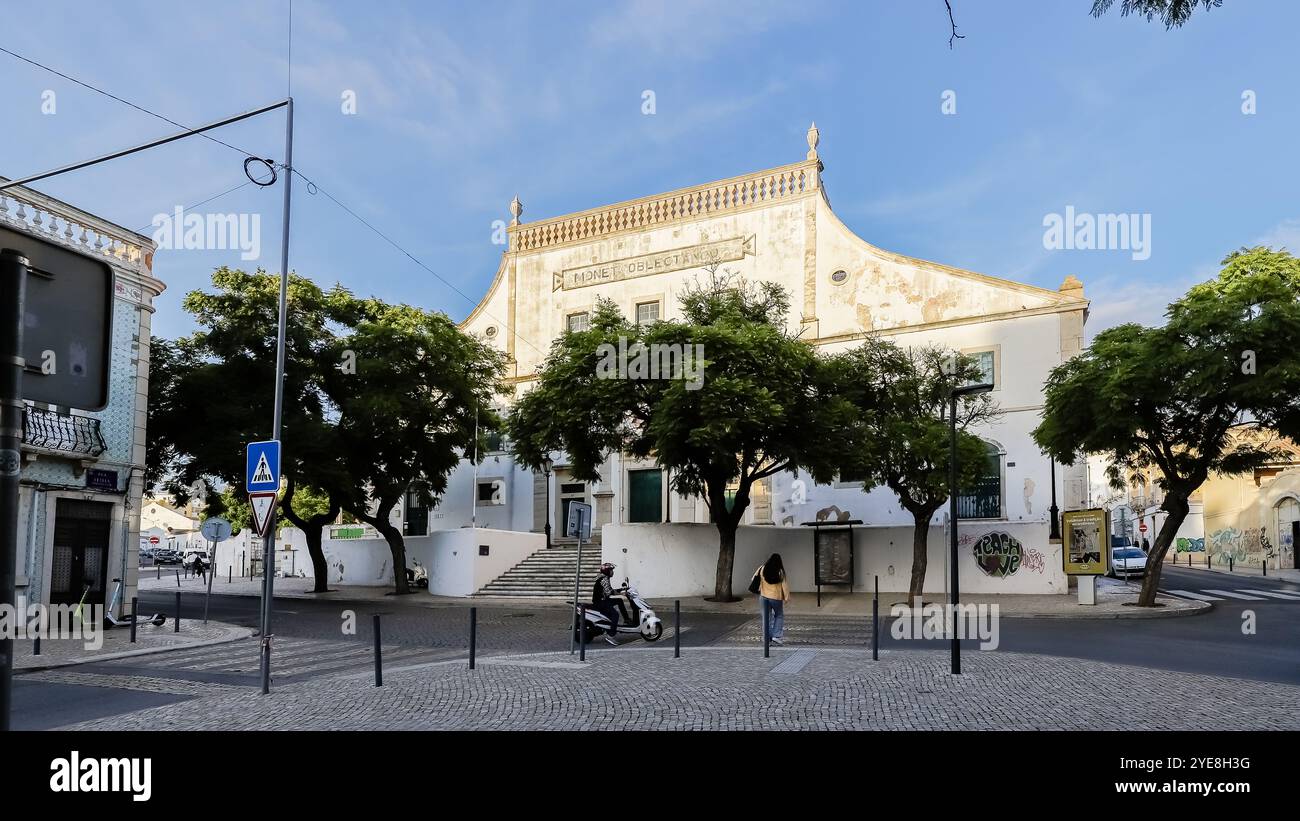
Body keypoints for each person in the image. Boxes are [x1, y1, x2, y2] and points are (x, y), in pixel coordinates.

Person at [752, 553, 790, 645]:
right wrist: (786, 598)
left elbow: (753, 579)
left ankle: (766, 639)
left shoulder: (762, 568)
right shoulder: (780, 571)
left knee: (766, 618)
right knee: (779, 615)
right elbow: (784, 586)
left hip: (763, 597)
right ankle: (776, 636)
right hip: (776, 598)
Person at [591, 562, 630, 645]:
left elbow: (609, 590)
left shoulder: (604, 577)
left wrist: (622, 590)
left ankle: (627, 620)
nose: (612, 572)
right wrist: (621, 593)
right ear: (606, 571)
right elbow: (610, 592)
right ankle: (610, 635)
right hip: (600, 602)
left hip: (603, 600)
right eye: (611, 570)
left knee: (619, 601)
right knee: (615, 614)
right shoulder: (604, 579)